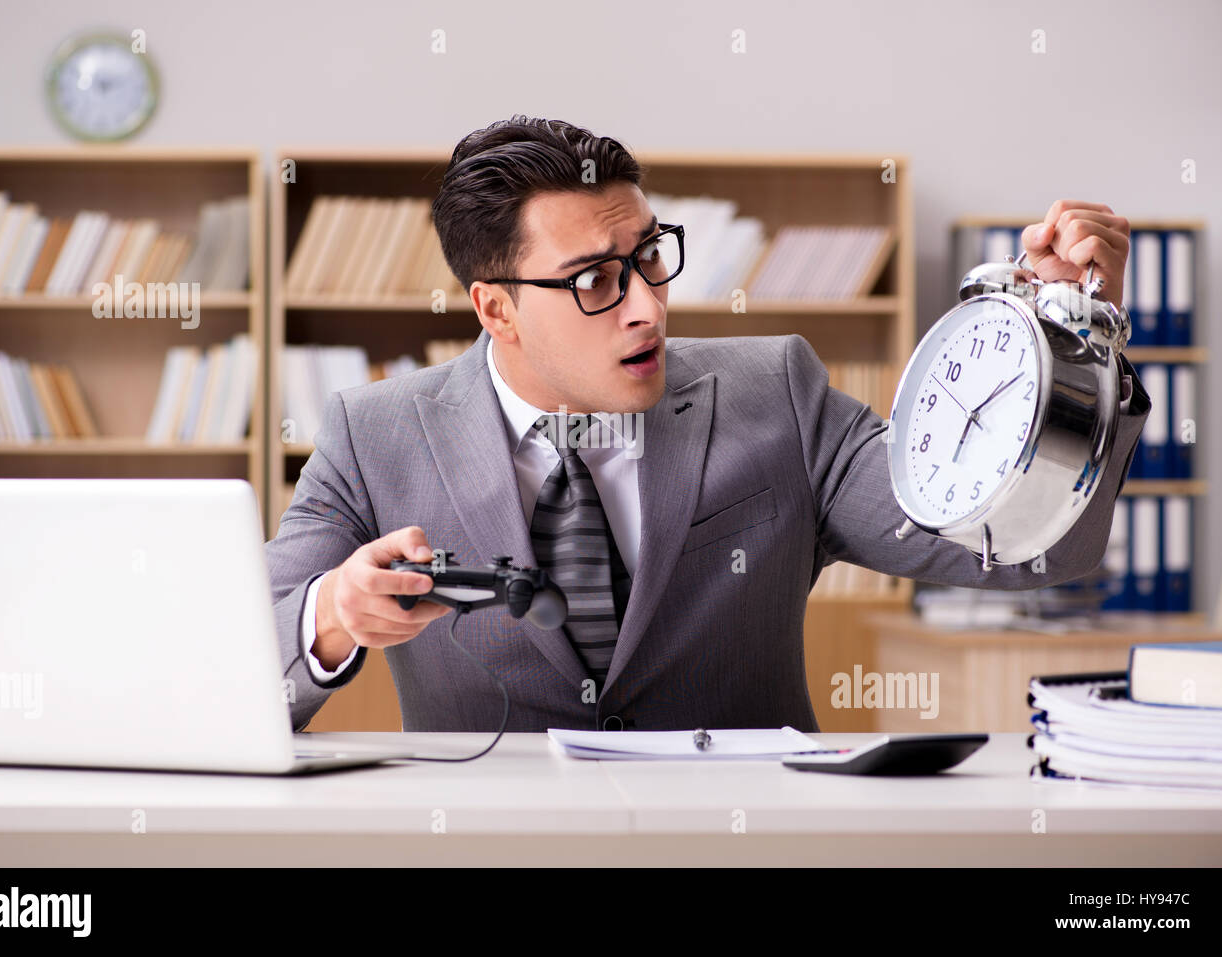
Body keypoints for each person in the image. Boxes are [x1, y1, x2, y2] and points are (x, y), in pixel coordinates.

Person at [265, 115, 1149, 733]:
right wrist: (333, 615)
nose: (647, 306)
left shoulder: (777, 392)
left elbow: (1034, 549)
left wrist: (1064, 343)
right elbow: (246, 661)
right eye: (594, 281)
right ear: (495, 309)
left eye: (648, 256)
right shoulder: (372, 434)